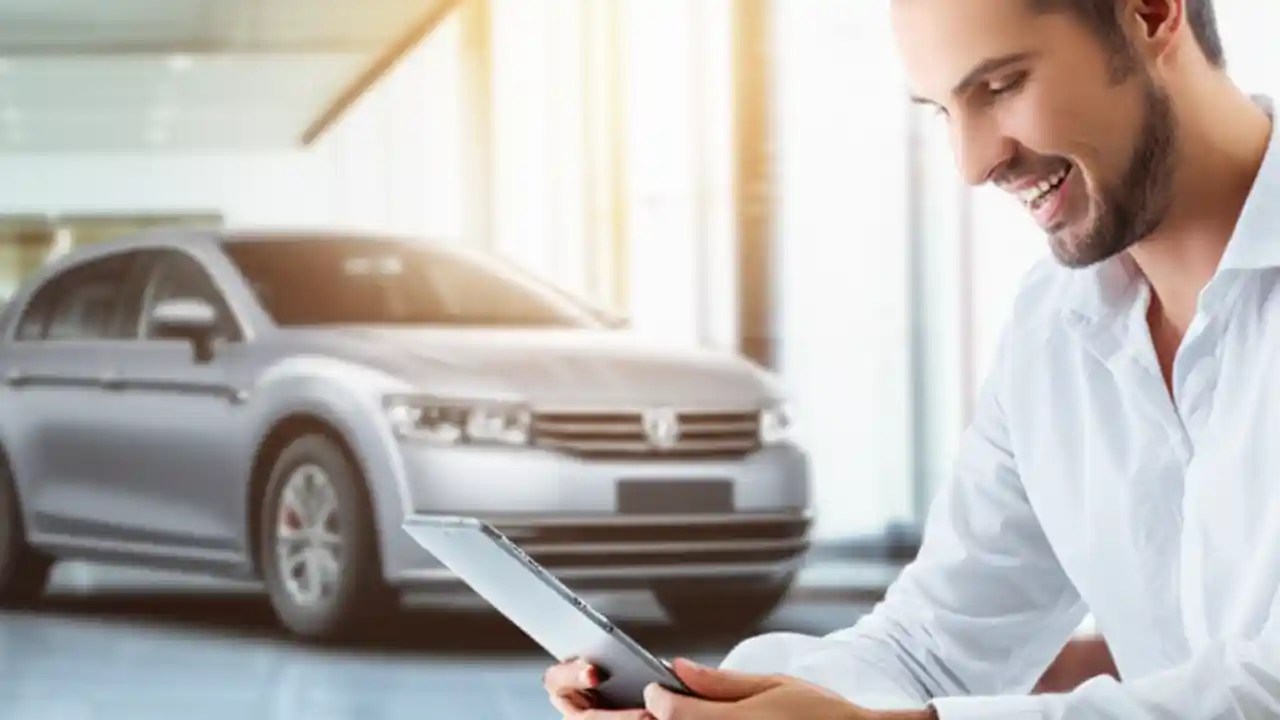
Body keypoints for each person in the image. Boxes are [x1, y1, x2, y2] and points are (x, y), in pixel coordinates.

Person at [544, 0, 1280, 717]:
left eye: (1002, 87)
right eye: (942, 111)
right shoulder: (1056, 328)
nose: (973, 162)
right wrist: (695, 696)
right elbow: (932, 645)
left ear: (1151, 14)